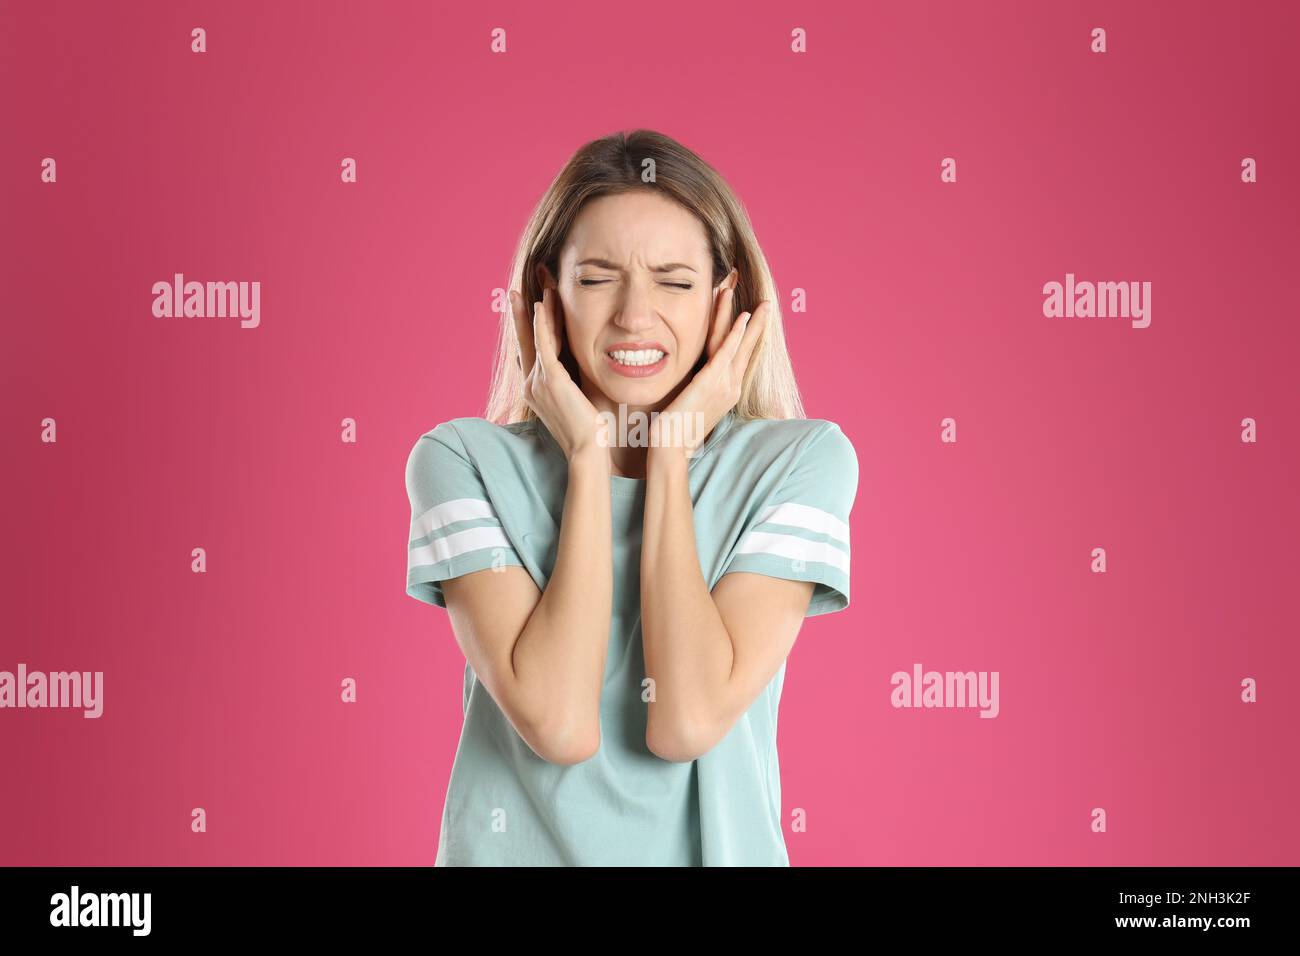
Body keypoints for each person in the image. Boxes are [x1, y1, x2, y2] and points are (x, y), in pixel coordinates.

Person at [404, 129, 859, 865]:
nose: (634, 316)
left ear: (725, 300)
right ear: (546, 296)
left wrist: (670, 453)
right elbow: (559, 724)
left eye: (674, 281)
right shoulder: (462, 462)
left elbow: (684, 719)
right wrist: (588, 458)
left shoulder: (801, 464)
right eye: (597, 278)